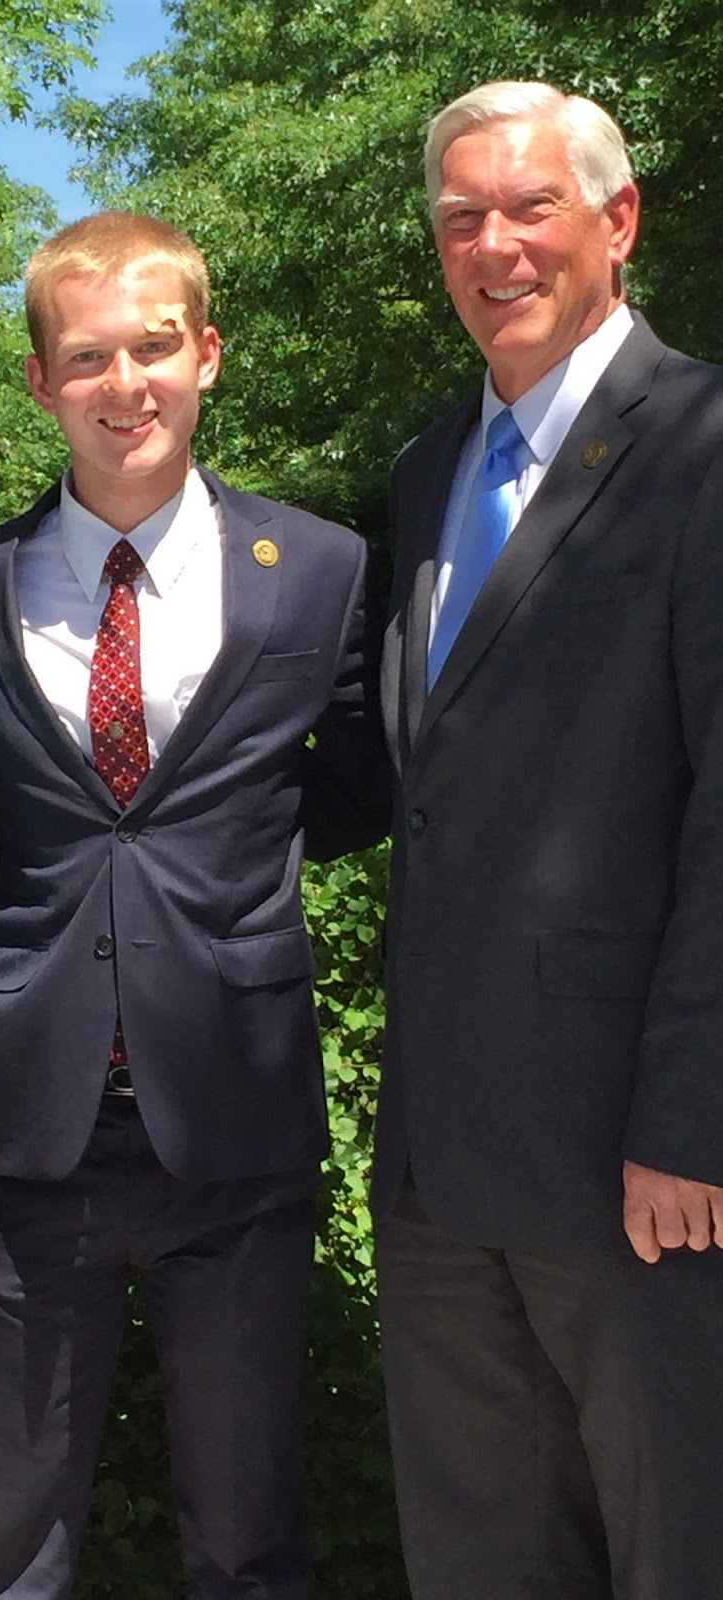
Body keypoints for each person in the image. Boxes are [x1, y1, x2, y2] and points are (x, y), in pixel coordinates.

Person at [0, 210, 387, 1600]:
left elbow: (360, 783)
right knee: (8, 1544)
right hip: (25, 1131)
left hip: (236, 1119)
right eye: (87, 357)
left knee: (248, 1540)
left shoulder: (318, 569)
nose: (123, 382)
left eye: (152, 347)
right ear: (39, 382)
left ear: (206, 355)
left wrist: (223, 880)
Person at [376, 80, 723, 1600]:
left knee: (675, 1545)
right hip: (444, 1161)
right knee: (481, 1555)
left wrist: (693, 1124)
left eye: (531, 209)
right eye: (463, 220)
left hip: (632, 1168)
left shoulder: (707, 446)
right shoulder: (424, 472)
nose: (495, 246)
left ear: (618, 221)